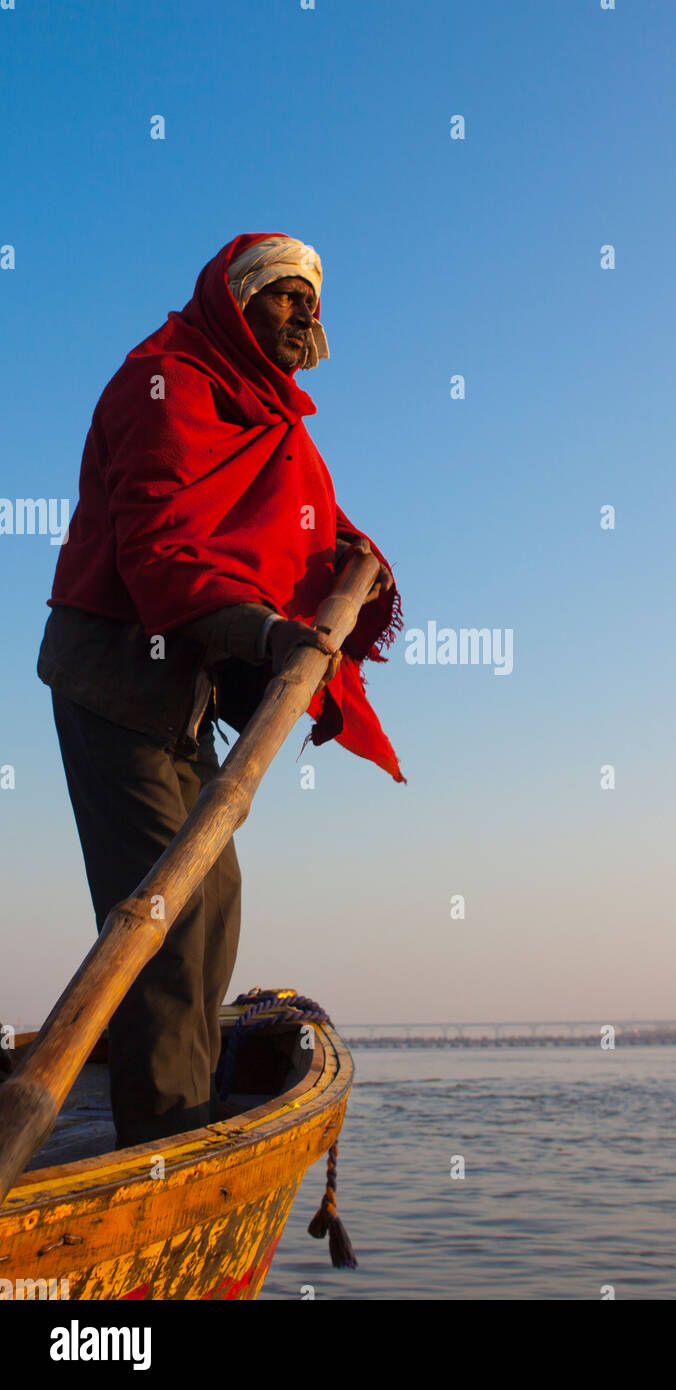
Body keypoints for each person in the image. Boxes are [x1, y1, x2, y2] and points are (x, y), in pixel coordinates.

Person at [37, 232, 404, 1148]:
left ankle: (180, 1119)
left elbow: (290, 523)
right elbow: (161, 550)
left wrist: (352, 564)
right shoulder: (163, 384)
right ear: (233, 302)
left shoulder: (268, 414)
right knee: (165, 918)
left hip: (185, 685)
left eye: (312, 298)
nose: (305, 312)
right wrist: (271, 634)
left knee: (215, 902)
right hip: (116, 674)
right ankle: (161, 1148)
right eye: (284, 295)